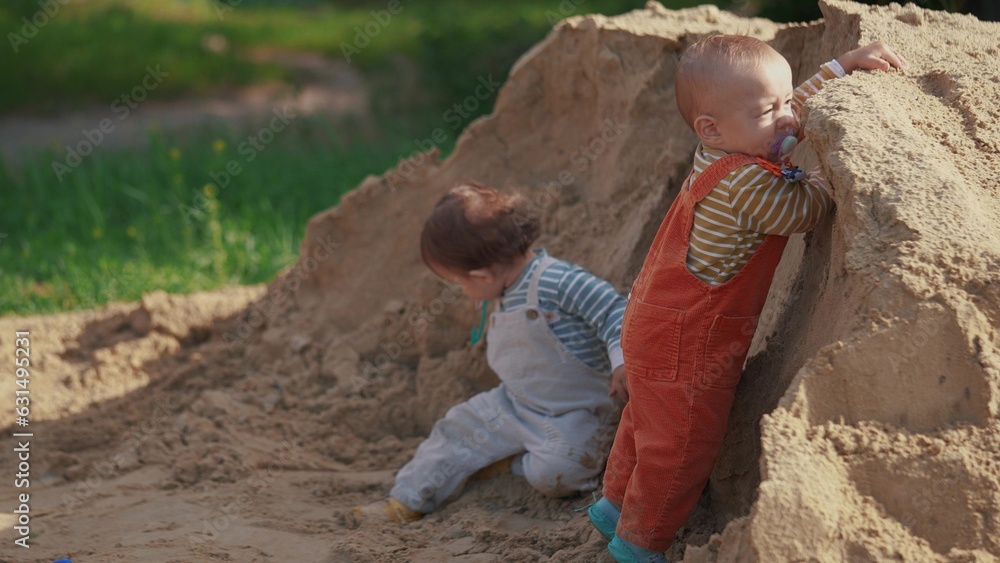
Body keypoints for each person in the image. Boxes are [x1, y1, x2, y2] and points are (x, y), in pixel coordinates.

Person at [586, 36, 908, 562]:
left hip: (652, 320)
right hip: (686, 340)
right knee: (682, 443)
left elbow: (783, 108)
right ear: (711, 128)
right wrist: (826, 182)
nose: (786, 119)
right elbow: (802, 212)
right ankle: (638, 544)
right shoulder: (748, 187)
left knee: (647, 417)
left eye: (785, 102)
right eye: (769, 111)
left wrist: (841, 67)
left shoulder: (725, 145)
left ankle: (614, 505)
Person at [354, 181, 629, 522]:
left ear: (482, 275)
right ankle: (406, 500)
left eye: (460, 283)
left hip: (577, 413)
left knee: (561, 472)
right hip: (515, 403)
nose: (462, 291)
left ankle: (510, 463)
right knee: (456, 428)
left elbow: (615, 311)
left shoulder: (558, 281)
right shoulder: (504, 287)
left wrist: (620, 360)